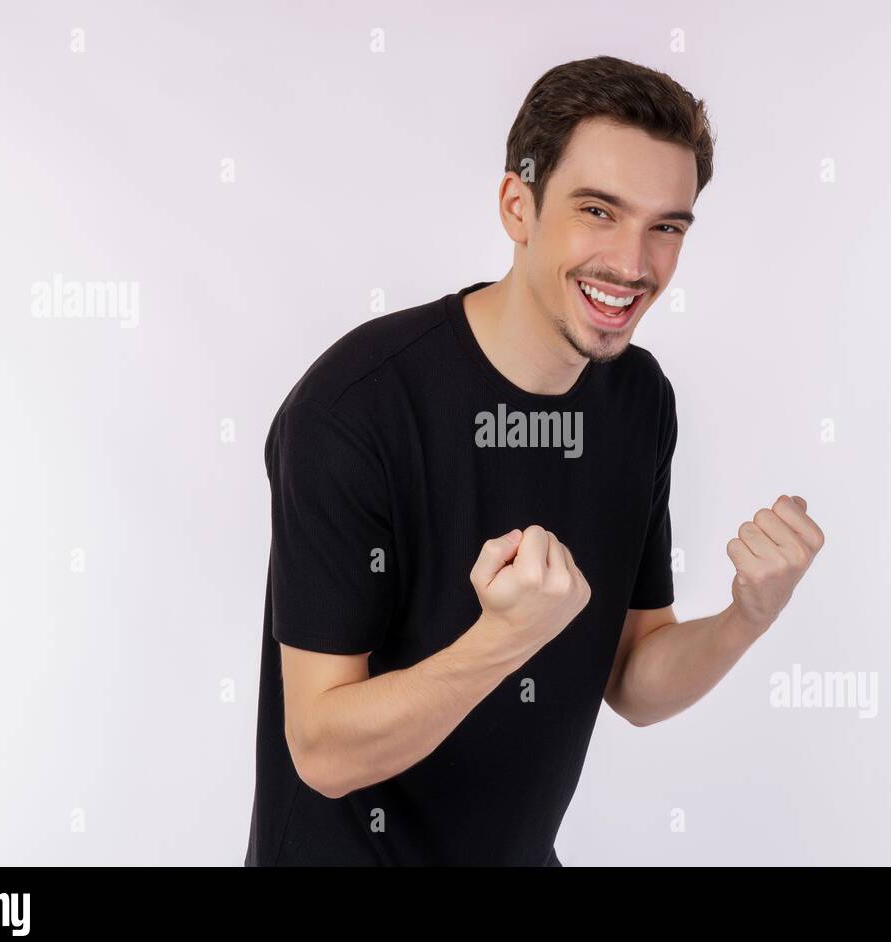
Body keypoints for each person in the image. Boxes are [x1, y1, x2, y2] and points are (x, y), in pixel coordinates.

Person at [244, 55, 825, 866]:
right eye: (598, 210)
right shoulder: (355, 408)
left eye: (667, 226)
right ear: (519, 206)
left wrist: (746, 619)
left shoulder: (637, 399)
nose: (633, 264)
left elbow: (632, 678)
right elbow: (323, 752)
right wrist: (506, 639)